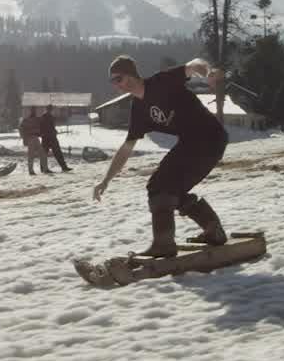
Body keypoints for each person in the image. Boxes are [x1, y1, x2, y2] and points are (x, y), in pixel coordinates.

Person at [93, 55, 229, 257]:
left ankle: (163, 244)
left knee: (159, 185)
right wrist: (106, 180)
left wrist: (207, 72)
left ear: (130, 76)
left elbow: (194, 64)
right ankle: (213, 230)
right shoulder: (138, 108)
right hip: (191, 142)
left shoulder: (160, 82)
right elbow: (127, 147)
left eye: (117, 79)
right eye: (112, 81)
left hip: (210, 138)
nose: (116, 85)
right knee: (170, 191)